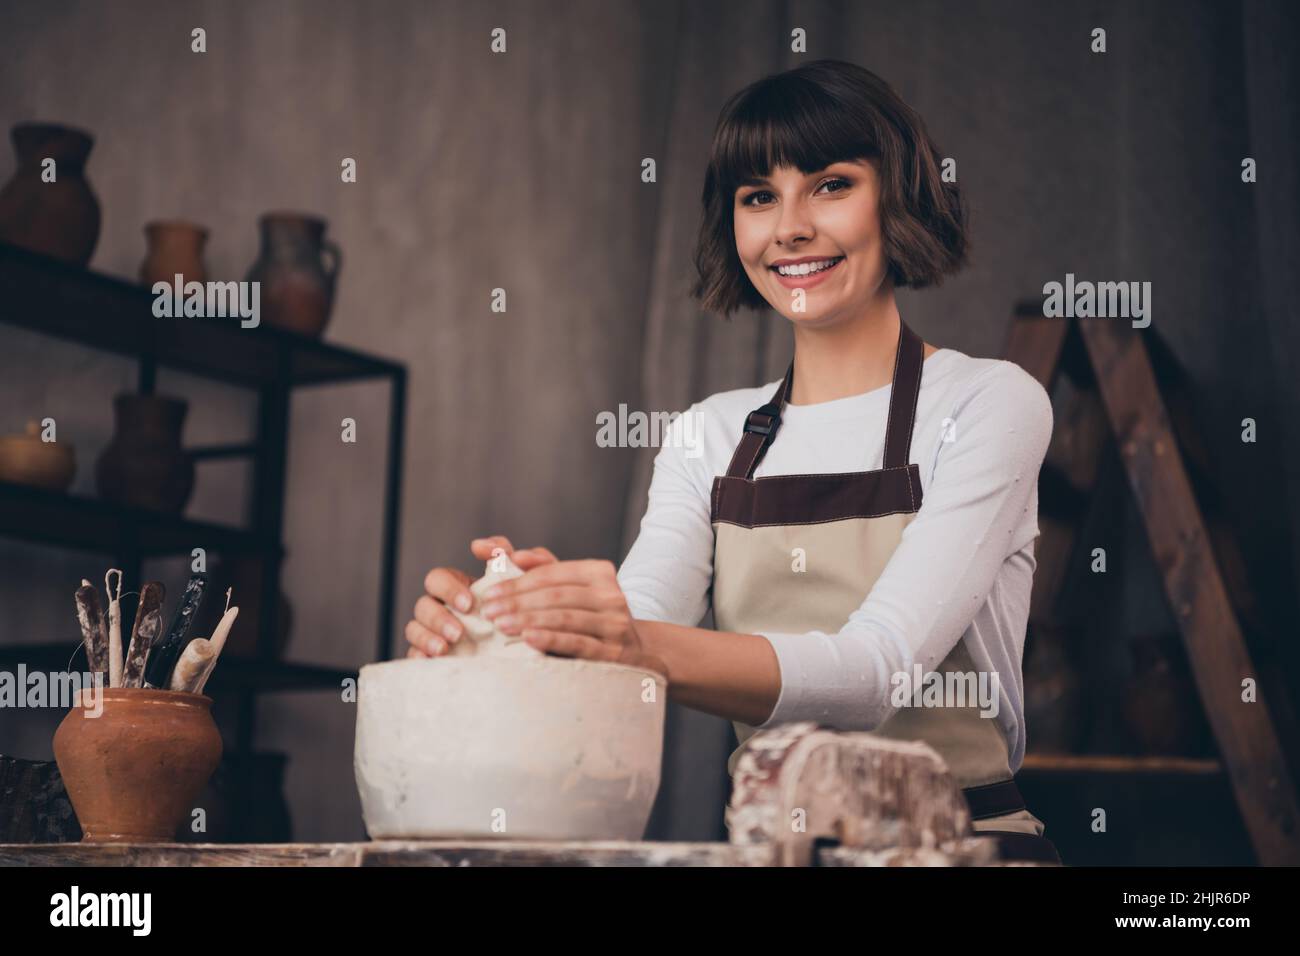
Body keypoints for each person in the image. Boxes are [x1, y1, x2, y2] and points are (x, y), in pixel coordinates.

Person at [405, 59, 1059, 863]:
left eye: (830, 184)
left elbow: (872, 674)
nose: (788, 227)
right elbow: (635, 634)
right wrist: (512, 623)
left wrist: (623, 640)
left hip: (965, 847)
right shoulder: (706, 435)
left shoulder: (990, 404)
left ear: (898, 197)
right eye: (759, 197)